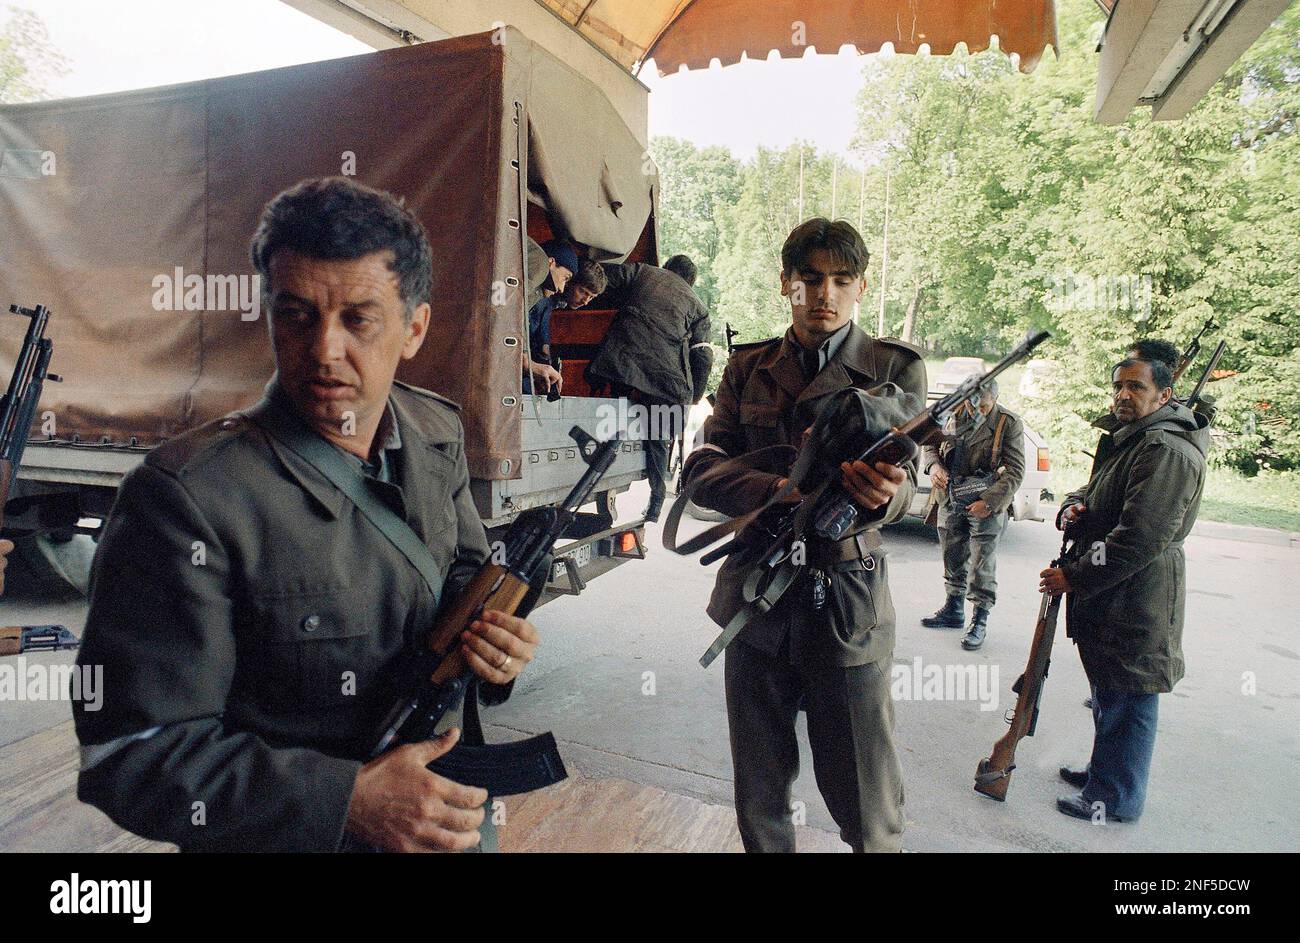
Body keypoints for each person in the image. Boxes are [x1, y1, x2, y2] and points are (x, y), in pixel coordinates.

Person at [74, 177, 540, 853]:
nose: (324, 349)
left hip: (446, 823)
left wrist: (500, 644)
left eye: (358, 319)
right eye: (295, 315)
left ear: (414, 328)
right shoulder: (189, 499)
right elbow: (130, 752)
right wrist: (345, 800)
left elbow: (466, 573)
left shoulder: (434, 431)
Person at [682, 218, 926, 853]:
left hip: (846, 600)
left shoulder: (892, 369)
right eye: (810, 279)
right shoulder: (746, 369)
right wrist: (774, 492)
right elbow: (702, 468)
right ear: (785, 284)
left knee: (866, 800)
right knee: (760, 797)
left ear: (861, 288)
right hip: (757, 596)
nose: (825, 295)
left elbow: (911, 476)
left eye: (841, 281)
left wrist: (883, 497)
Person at [1039, 355, 1207, 824]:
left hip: (1139, 592)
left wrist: (1075, 576)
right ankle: (1104, 774)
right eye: (1118, 386)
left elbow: (1139, 537)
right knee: (1111, 688)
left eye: (1135, 387)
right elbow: (1100, 492)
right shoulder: (1135, 440)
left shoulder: (1166, 449)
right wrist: (1075, 505)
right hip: (1116, 591)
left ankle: (1114, 797)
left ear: (1164, 396)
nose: (1123, 395)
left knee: (1130, 694)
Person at [588, 254, 712, 522]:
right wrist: (695, 396)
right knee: (657, 436)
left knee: (613, 415)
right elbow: (702, 356)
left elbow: (600, 274)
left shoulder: (643, 272)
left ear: (667, 268)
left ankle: (595, 470)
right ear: (691, 281)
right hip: (663, 380)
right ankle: (656, 498)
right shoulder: (699, 306)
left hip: (619, 363)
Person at [920, 380, 1025, 649]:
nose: (975, 409)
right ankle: (954, 608)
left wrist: (988, 503)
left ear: (995, 399)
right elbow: (928, 443)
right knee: (952, 553)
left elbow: (1014, 470)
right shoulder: (952, 413)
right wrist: (933, 468)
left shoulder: (1008, 423)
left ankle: (980, 619)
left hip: (984, 500)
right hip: (951, 495)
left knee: (982, 563)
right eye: (970, 402)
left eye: (983, 405)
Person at [522, 238, 579, 396]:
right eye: (565, 278)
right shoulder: (540, 263)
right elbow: (512, 307)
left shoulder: (538, 288)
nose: (561, 288)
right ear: (551, 262)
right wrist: (526, 362)